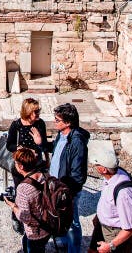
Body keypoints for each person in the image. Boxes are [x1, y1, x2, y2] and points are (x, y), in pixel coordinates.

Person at [6, 97, 52, 233]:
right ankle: (16, 217)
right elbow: (9, 145)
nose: (38, 114)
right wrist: (20, 148)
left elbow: (44, 145)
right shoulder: (16, 125)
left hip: (36, 164)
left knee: (37, 192)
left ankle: (37, 217)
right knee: (20, 191)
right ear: (27, 112)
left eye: (38, 111)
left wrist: (40, 144)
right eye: (35, 111)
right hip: (21, 165)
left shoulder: (40, 124)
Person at [49, 103, 89, 253]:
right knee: (61, 217)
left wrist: (66, 192)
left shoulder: (77, 143)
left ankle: (73, 249)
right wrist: (42, 144)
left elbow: (78, 175)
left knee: (73, 222)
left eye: (57, 120)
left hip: (67, 190)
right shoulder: (62, 134)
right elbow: (57, 150)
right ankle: (64, 241)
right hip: (57, 186)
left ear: (68, 123)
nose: (54, 122)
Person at [88, 150, 132, 253]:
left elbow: (130, 229)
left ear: (103, 169)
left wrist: (110, 245)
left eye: (97, 164)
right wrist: (99, 215)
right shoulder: (112, 175)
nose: (95, 166)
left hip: (114, 233)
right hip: (102, 225)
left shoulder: (124, 194)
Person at [4, 147, 50, 253]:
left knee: (33, 248)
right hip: (48, 225)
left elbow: (25, 217)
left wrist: (12, 205)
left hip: (35, 232)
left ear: (21, 166)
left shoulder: (24, 188)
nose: (14, 165)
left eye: (15, 163)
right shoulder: (45, 175)